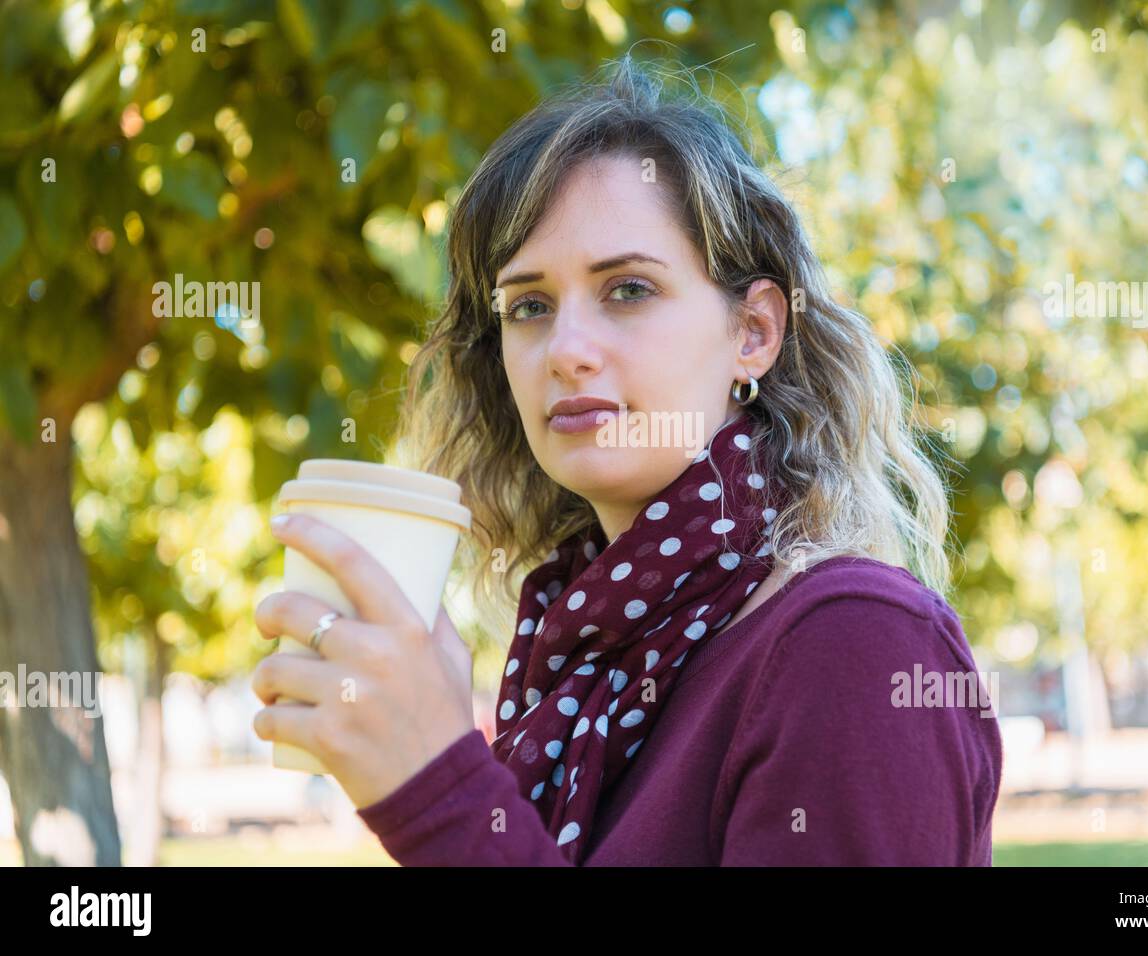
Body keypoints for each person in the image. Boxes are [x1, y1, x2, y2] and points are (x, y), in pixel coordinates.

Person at [251, 54, 1003, 865]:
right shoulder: (575, 676)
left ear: (753, 333)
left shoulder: (854, 644)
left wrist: (438, 788)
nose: (567, 349)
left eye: (629, 290)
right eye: (530, 306)